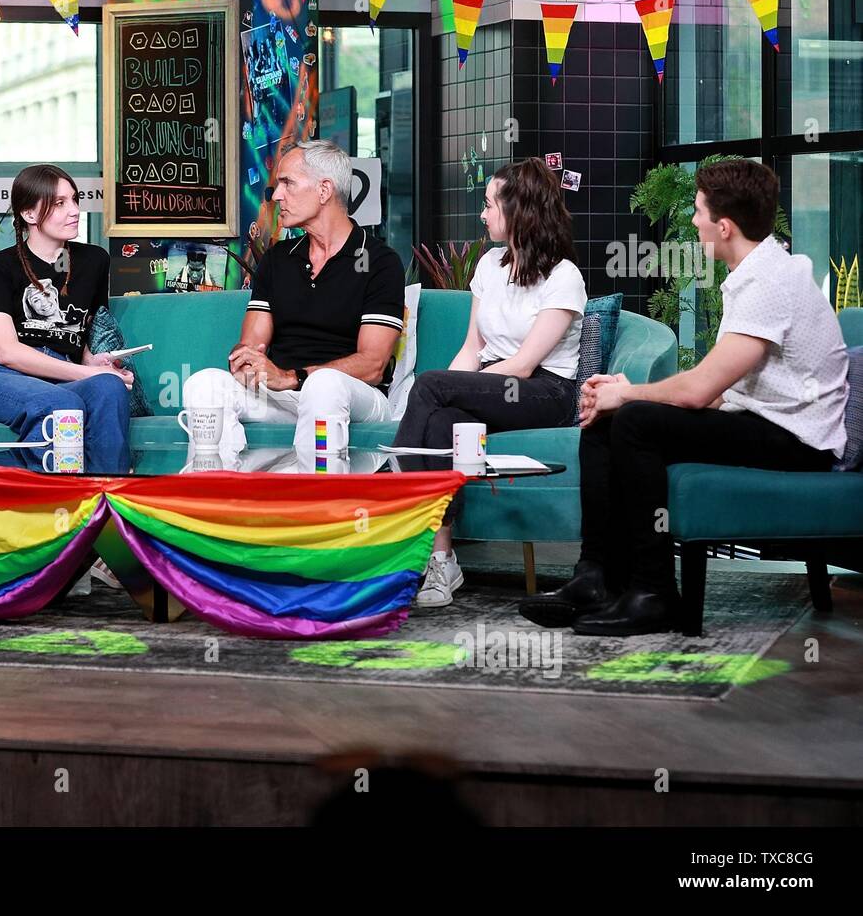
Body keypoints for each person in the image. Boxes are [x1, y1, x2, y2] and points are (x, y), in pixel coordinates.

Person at [521, 159, 849, 635]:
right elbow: (721, 388)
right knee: (607, 418)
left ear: (724, 225)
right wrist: (620, 396)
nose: (693, 221)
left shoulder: (768, 284)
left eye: (698, 212)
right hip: (765, 422)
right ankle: (596, 576)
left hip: (798, 442)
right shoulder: (756, 272)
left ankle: (653, 593)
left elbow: (700, 391)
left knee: (632, 420)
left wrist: (629, 395)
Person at [395, 157, 587, 607]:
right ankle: (443, 562)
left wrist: (444, 385)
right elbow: (471, 349)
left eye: (489, 206)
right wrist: (452, 387)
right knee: (443, 420)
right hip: (496, 382)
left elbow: (523, 366)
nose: (482, 215)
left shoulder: (563, 277)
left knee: (429, 388)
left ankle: (396, 495)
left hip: (543, 391)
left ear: (520, 210)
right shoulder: (488, 267)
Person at [182, 140, 406, 464]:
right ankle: (221, 496)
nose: (276, 196)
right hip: (284, 396)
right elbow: (251, 345)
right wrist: (247, 365)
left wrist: (294, 377)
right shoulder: (278, 260)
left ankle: (316, 502)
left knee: (323, 386)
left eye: (287, 183)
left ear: (324, 190)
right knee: (204, 385)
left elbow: (372, 365)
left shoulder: (379, 261)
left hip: (355, 396)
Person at [0, 164, 132, 474]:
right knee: (62, 406)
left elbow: (82, 333)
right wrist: (83, 373)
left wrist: (98, 367)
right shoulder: (0, 266)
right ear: (29, 215)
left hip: (60, 376)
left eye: (75, 200)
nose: (75, 210)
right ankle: (53, 507)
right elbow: (6, 352)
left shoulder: (94, 261)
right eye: (60, 203)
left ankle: (106, 501)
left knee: (109, 389)